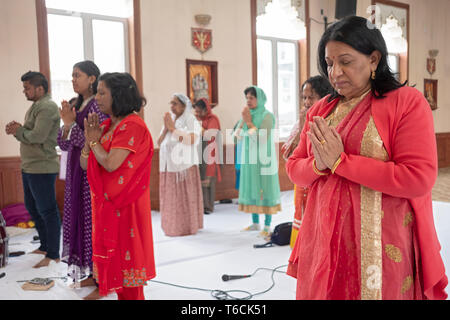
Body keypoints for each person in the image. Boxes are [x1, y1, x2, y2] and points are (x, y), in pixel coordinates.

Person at [286, 16, 448, 300]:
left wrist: (341, 163)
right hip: (323, 238)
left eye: (345, 61)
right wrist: (318, 165)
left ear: (374, 59)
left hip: (382, 242)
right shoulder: (322, 109)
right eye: (329, 62)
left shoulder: (406, 102)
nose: (334, 72)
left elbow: (418, 178)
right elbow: (294, 169)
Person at [80, 72, 156, 300]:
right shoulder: (105, 125)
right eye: (97, 92)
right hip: (107, 205)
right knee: (120, 278)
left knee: (129, 279)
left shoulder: (131, 125)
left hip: (126, 207)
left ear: (119, 95)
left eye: (102, 93)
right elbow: (85, 164)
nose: (97, 98)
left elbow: (111, 164)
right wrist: (88, 142)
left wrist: (93, 142)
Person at [57, 60, 108, 287]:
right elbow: (65, 144)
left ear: (92, 79)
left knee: (92, 222)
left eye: (78, 75)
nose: (73, 79)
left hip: (91, 171)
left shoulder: (97, 106)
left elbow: (97, 139)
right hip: (75, 170)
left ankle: (102, 277)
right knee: (78, 218)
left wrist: (72, 125)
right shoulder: (76, 105)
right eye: (72, 75)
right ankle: (90, 272)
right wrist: (67, 124)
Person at [5, 71, 61, 269]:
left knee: (47, 210)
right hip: (31, 166)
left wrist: (18, 130)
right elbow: (30, 132)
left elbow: (37, 136)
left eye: (27, 88)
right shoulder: (36, 107)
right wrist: (19, 129)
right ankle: (45, 246)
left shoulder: (47, 107)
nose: (24, 91)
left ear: (40, 88)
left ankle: (54, 253)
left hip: (42, 167)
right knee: (33, 208)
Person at [281, 76, 333, 248]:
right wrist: (303, 126)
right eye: (304, 97)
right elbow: (288, 155)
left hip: (323, 185)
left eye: (311, 97)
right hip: (302, 182)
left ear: (324, 96)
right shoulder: (300, 122)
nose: (306, 102)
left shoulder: (331, 120)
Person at [234, 86, 281, 238]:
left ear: (259, 99)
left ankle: (267, 225)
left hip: (263, 161)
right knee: (252, 189)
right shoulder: (247, 114)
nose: (248, 101)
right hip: (249, 161)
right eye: (247, 98)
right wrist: (243, 121)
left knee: (265, 190)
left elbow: (262, 139)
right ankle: (255, 223)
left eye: (252, 98)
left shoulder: (267, 116)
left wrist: (248, 122)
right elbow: (237, 136)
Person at [158, 94, 204, 236]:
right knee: (170, 199)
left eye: (175, 103)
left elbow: (191, 140)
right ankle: (171, 226)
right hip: (168, 166)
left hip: (184, 167)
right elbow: (159, 142)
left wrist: (172, 129)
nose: (172, 106)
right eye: (171, 103)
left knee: (183, 198)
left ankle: (185, 227)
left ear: (184, 106)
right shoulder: (170, 119)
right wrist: (166, 128)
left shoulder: (190, 120)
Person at [193, 98, 222, 214]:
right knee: (201, 177)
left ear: (206, 110)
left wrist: (199, 128)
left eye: (200, 111)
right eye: (196, 111)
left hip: (210, 153)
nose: (198, 114)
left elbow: (210, 135)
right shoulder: (198, 119)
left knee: (208, 178)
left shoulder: (213, 119)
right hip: (199, 152)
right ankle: (201, 205)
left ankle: (208, 206)